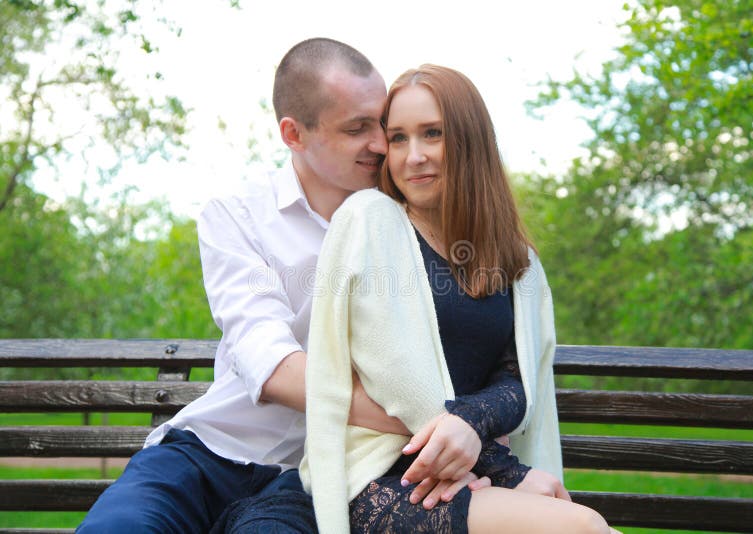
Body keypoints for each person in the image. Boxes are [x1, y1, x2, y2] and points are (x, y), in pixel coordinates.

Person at [77, 38, 456, 534]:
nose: (383, 145)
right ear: (294, 134)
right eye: (356, 128)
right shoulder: (238, 216)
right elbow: (270, 363)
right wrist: (425, 422)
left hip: (313, 478)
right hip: (209, 452)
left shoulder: (411, 222)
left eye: (380, 123)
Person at [297, 65, 620, 533]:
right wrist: (507, 472)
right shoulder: (370, 220)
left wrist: (471, 428)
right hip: (383, 480)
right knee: (583, 527)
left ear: (470, 140)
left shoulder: (516, 259)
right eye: (399, 138)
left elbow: (518, 382)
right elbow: (397, 376)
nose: (414, 156)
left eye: (433, 134)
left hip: (470, 477)